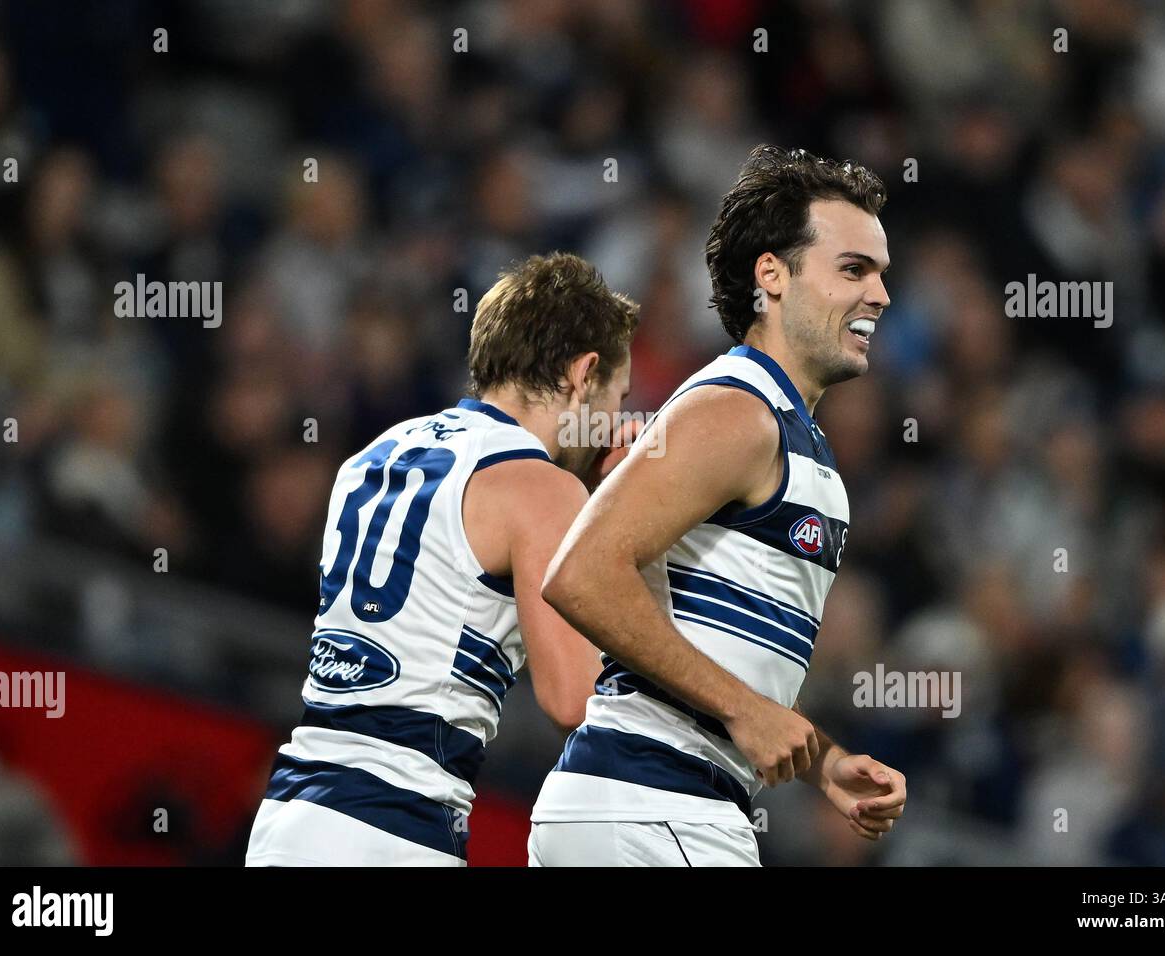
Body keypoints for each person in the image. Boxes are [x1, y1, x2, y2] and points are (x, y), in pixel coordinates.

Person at [529, 146, 907, 866]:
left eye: (882, 272)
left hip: (657, 806)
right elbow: (578, 574)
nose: (881, 295)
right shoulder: (738, 410)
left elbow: (715, 656)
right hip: (656, 805)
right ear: (772, 275)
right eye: (853, 269)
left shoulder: (788, 431)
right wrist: (744, 711)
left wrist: (822, 760)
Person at [246, 252, 638, 865]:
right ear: (584, 373)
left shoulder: (369, 458)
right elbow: (575, 700)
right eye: (621, 397)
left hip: (287, 815)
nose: (619, 423)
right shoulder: (540, 487)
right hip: (394, 825)